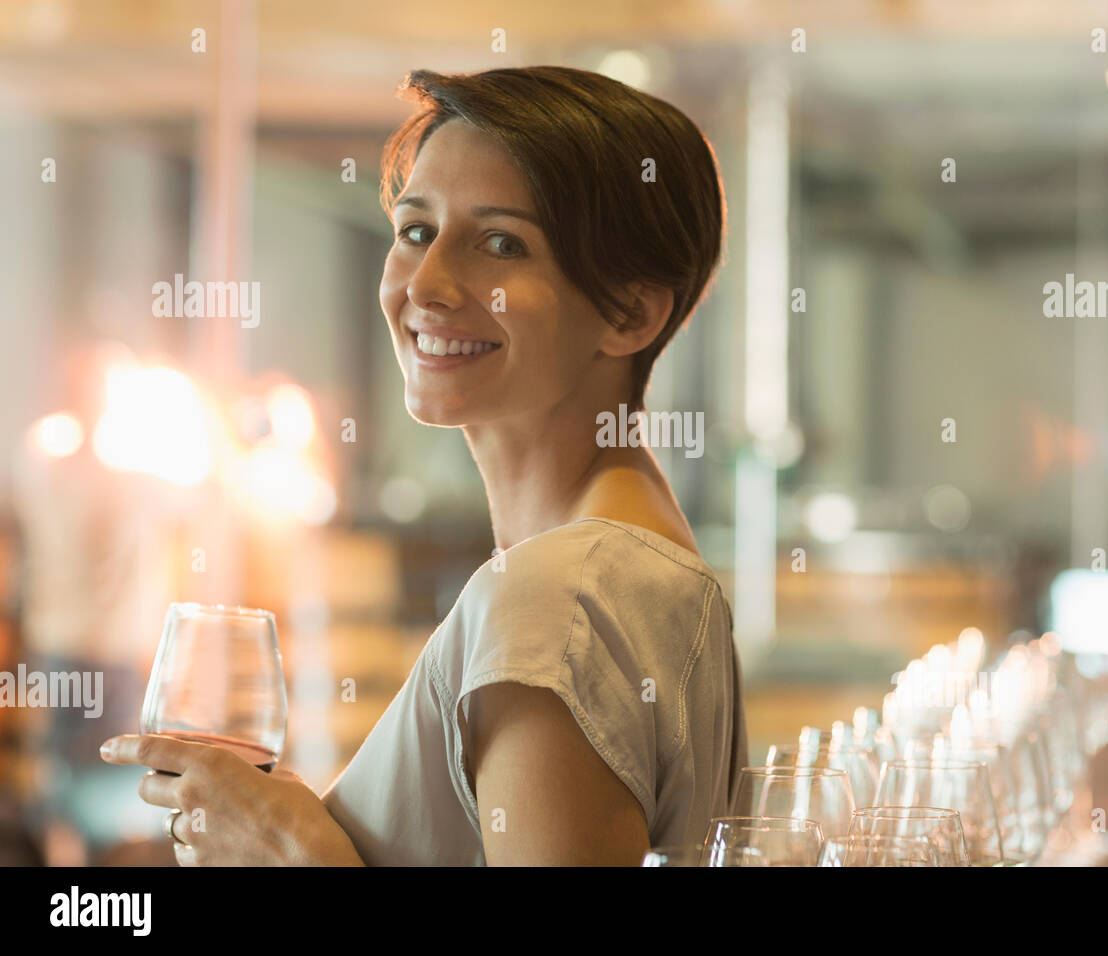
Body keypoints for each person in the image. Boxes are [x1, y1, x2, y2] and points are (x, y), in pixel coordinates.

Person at [103, 65, 747, 866]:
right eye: (415, 230)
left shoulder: (559, 595)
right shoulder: (631, 561)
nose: (428, 284)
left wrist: (293, 853)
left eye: (502, 243)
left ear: (630, 311)